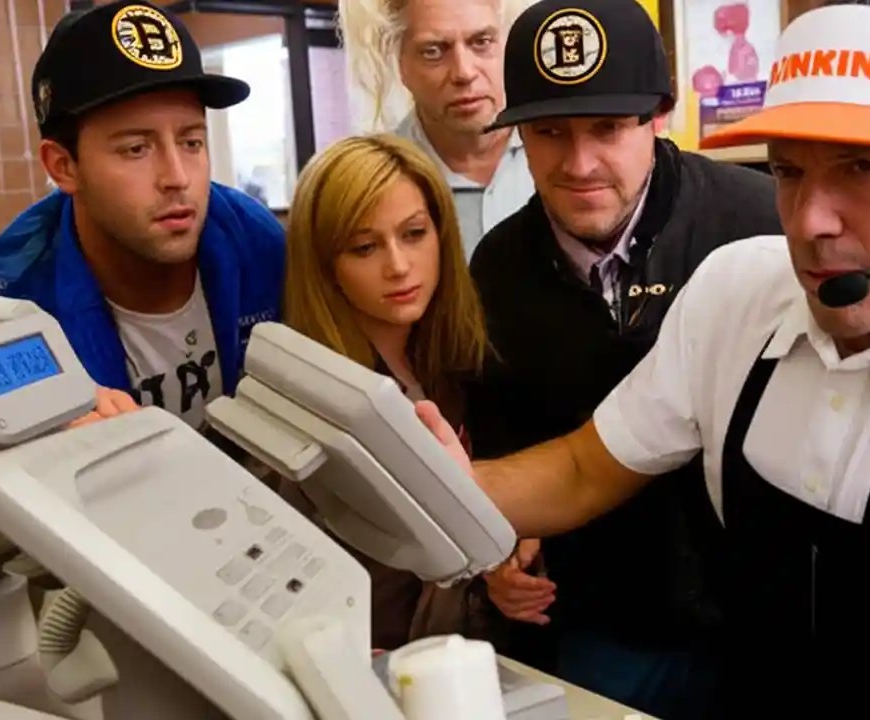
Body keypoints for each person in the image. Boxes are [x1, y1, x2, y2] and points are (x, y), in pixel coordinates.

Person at [420, 1, 870, 718]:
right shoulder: (738, 293)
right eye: (788, 171)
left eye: (864, 167)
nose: (808, 223)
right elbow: (586, 468)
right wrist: (435, 488)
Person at [462, 0, 781, 716]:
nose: (579, 164)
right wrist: (501, 552)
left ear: (659, 115)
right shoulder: (499, 268)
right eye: (549, 133)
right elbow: (507, 449)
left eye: (607, 129)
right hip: (604, 627)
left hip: (765, 623)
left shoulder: (760, 227)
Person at [0, 1, 285, 431]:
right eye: (136, 148)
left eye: (191, 142)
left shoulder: (259, 245)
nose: (177, 178)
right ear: (63, 166)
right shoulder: (17, 300)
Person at [282, 133, 492, 651]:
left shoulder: (461, 361)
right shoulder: (310, 403)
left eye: (414, 233)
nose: (398, 266)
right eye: (364, 247)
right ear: (325, 265)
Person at [339, 0, 537, 259]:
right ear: (402, 66)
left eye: (481, 42)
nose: (464, 72)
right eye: (433, 51)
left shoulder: (565, 154)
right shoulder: (372, 183)